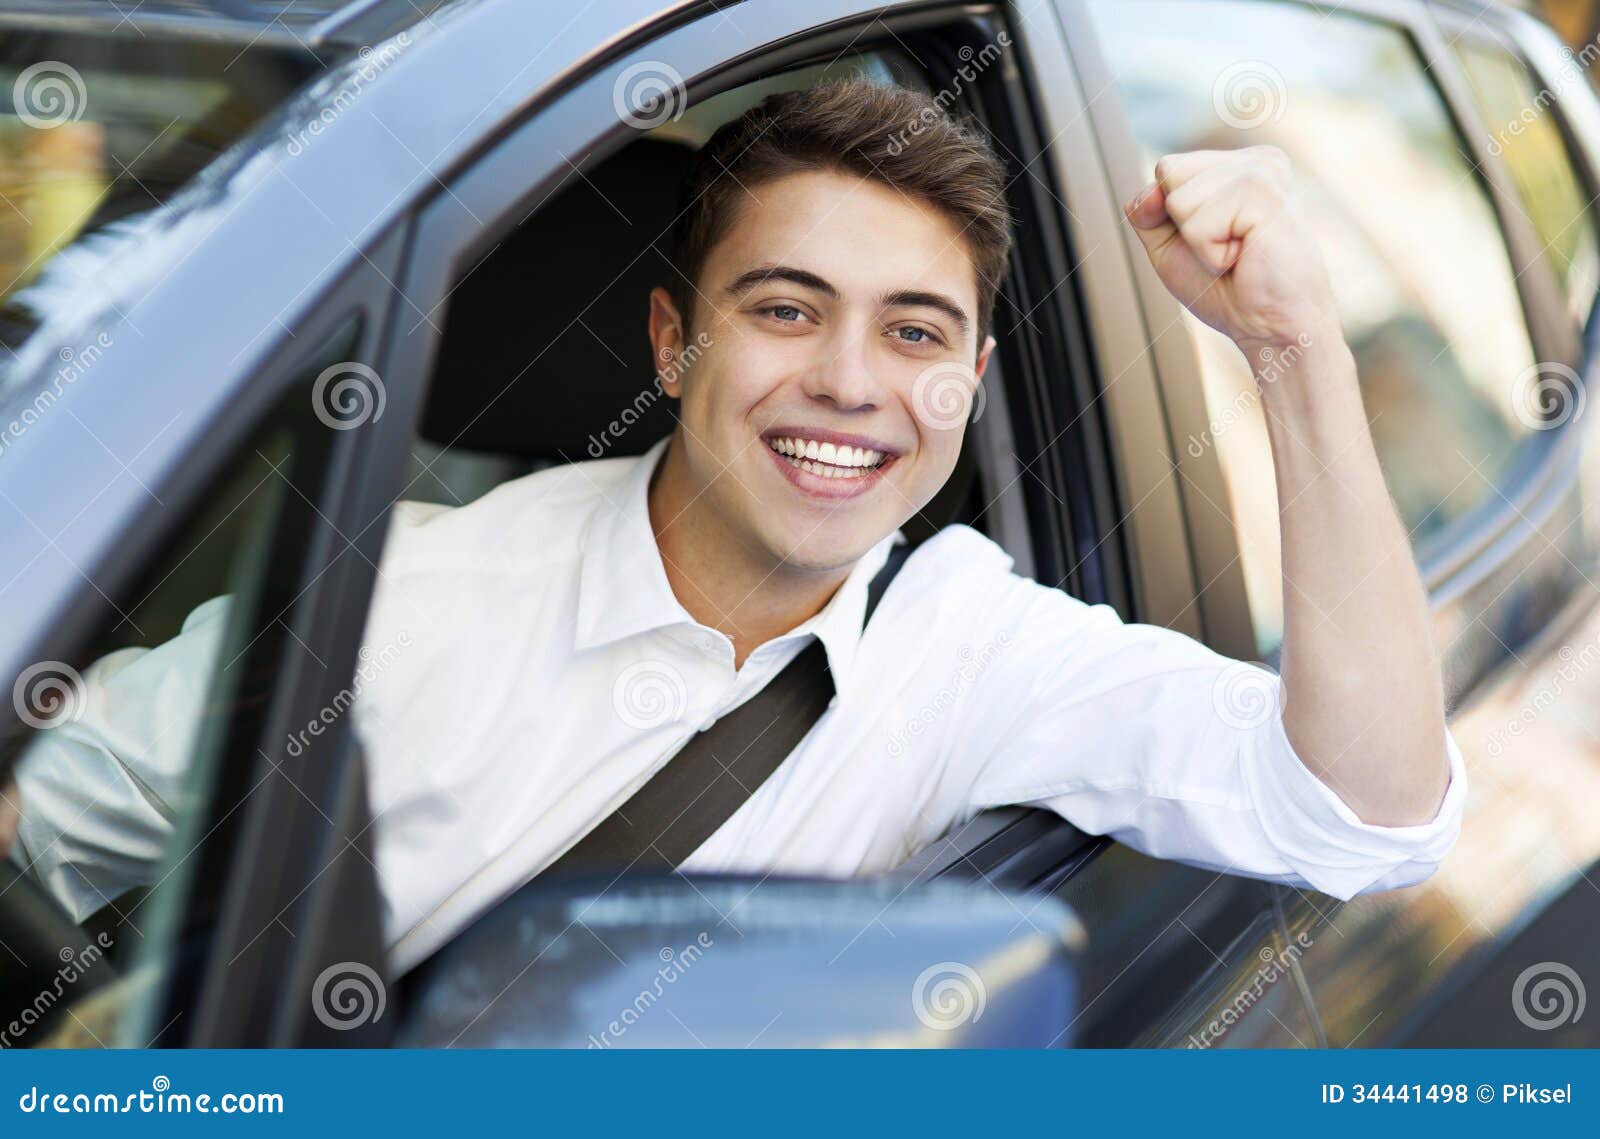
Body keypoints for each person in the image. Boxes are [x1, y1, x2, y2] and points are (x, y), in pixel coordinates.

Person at [4, 79, 1464, 975]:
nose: (848, 382)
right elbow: (43, 822)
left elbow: (1366, 817)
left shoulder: (976, 649)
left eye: (914, 331)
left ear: (968, 385)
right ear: (671, 343)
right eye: (785, 309)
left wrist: (1293, 349)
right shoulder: (397, 596)